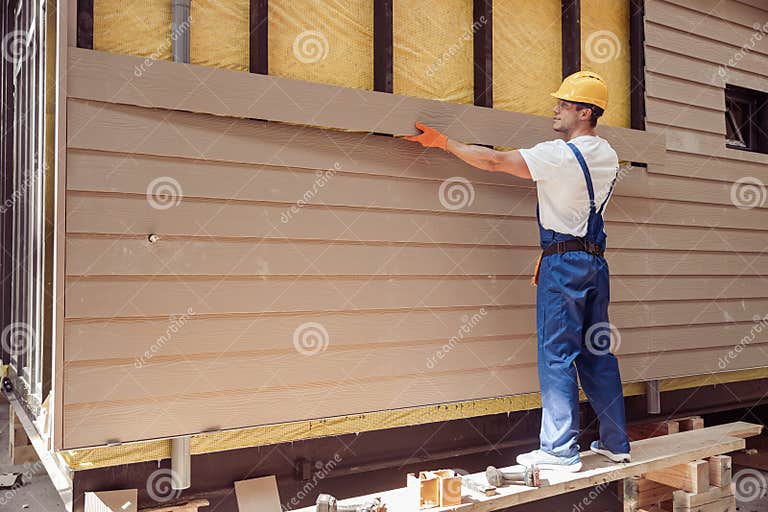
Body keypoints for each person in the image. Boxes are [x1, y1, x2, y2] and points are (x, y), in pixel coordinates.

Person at [404, 71, 631, 472]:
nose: (555, 110)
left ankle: (559, 451)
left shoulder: (558, 156)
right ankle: (616, 442)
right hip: (596, 263)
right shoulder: (608, 155)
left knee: (557, 354)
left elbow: (492, 161)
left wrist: (442, 142)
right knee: (597, 353)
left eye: (562, 104)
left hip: (563, 265)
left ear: (583, 112)